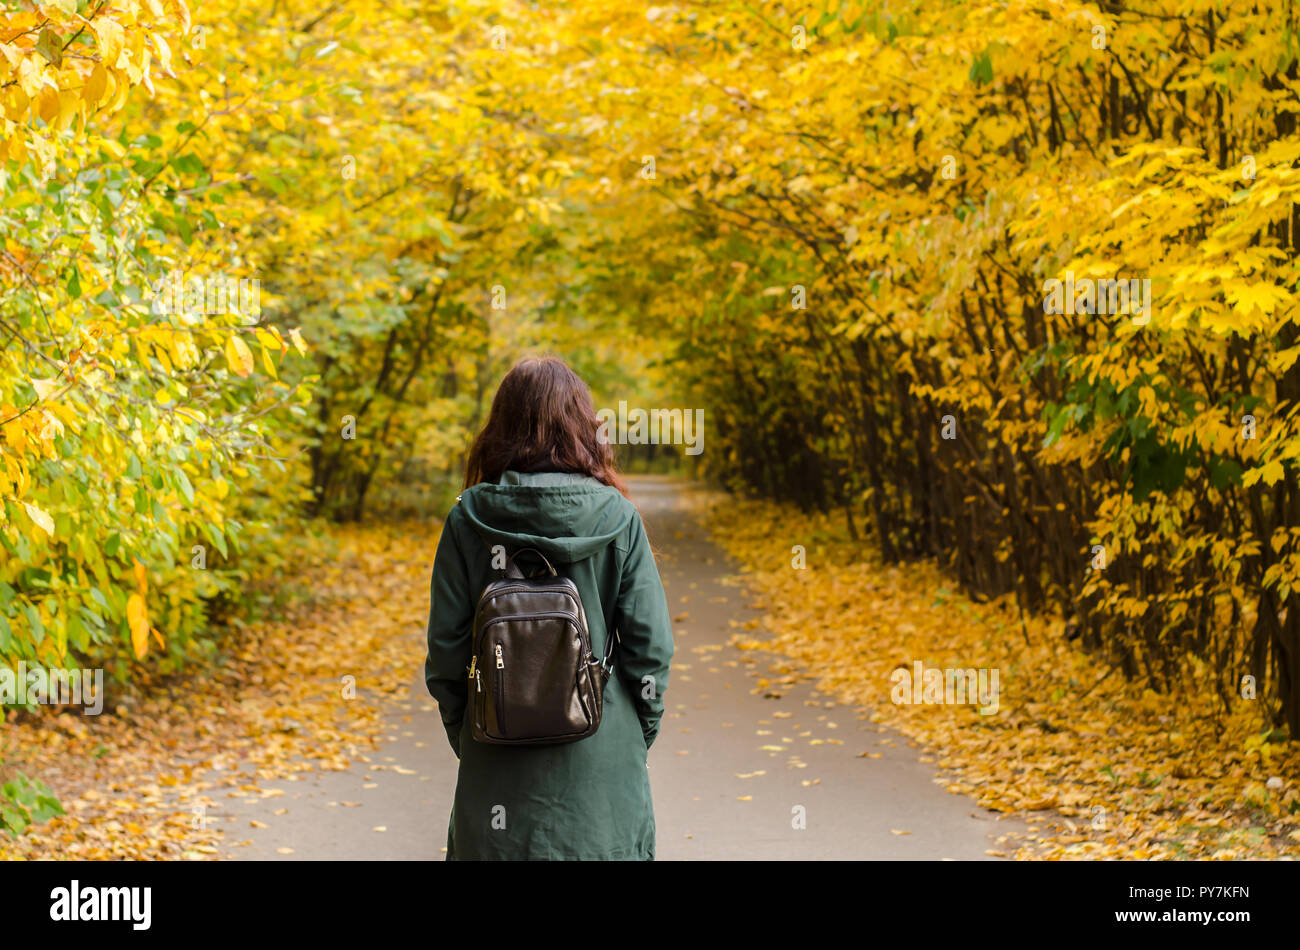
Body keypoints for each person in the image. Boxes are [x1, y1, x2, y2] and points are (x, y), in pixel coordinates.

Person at [424, 355, 674, 860]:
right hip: (600, 763)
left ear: (500, 428)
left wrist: (472, 731)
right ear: (583, 427)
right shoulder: (618, 518)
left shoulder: (467, 519)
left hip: (495, 757)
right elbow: (651, 649)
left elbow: (446, 655)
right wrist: (630, 734)